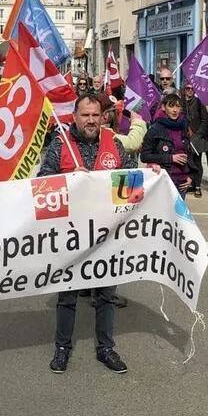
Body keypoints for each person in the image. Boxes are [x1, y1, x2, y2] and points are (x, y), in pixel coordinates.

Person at [37, 94, 139, 376]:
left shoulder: (115, 144)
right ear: (75, 116)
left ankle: (105, 348)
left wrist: (151, 173)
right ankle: (62, 348)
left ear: (102, 116)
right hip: (71, 238)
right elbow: (42, 185)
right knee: (67, 296)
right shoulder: (60, 146)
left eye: (96, 115)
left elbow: (133, 181)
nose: (91, 120)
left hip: (107, 235)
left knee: (107, 295)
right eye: (85, 115)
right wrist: (70, 180)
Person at [140, 91, 197, 198]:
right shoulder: (155, 129)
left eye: (177, 106)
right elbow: (144, 156)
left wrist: (190, 176)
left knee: (178, 214)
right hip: (163, 178)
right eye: (171, 106)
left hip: (181, 182)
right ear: (163, 107)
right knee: (162, 213)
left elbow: (189, 154)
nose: (175, 110)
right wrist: (170, 158)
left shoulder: (183, 127)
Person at [181, 81, 208, 198]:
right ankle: (190, 184)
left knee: (197, 163)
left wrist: (198, 135)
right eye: (187, 88)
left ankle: (198, 187)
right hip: (184, 137)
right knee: (187, 162)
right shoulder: (181, 103)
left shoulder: (199, 103)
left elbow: (205, 121)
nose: (190, 90)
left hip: (197, 137)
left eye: (192, 88)